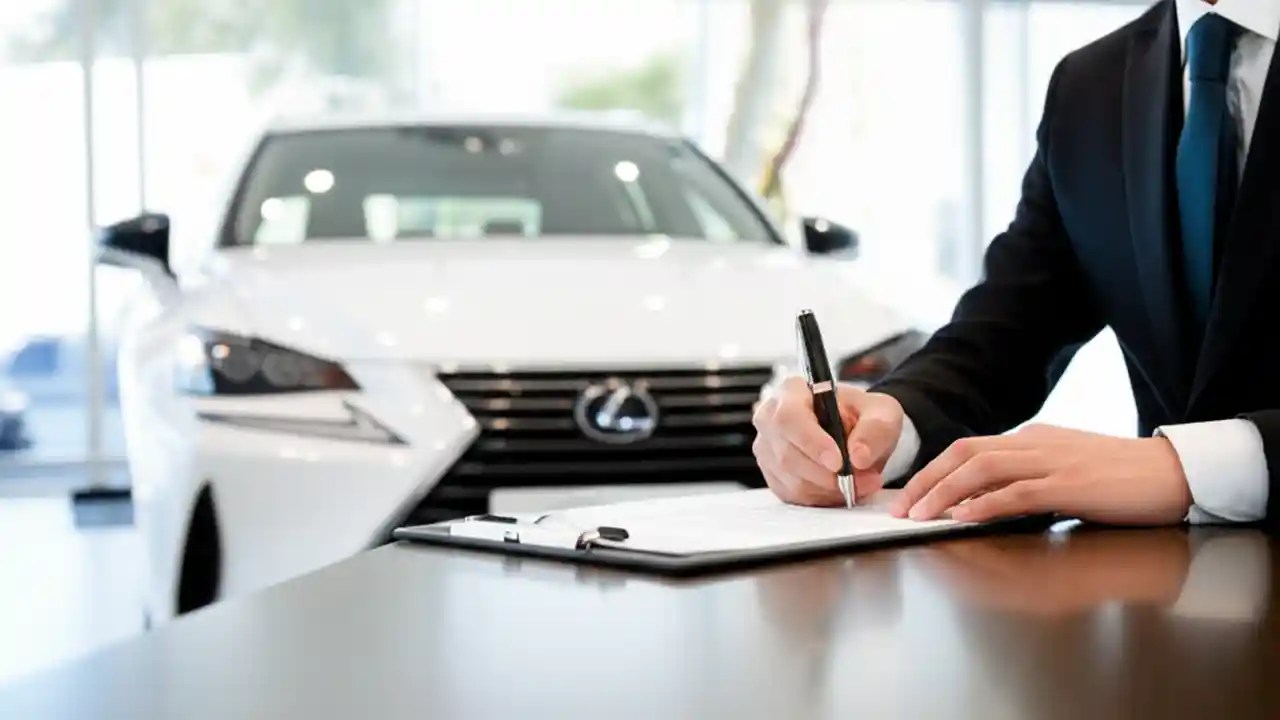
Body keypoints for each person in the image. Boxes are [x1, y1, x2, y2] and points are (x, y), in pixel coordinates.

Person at [753, 0, 1280, 528]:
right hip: (1168, 583)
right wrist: (886, 423)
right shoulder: (1092, 83)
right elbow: (1010, 331)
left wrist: (1188, 467)